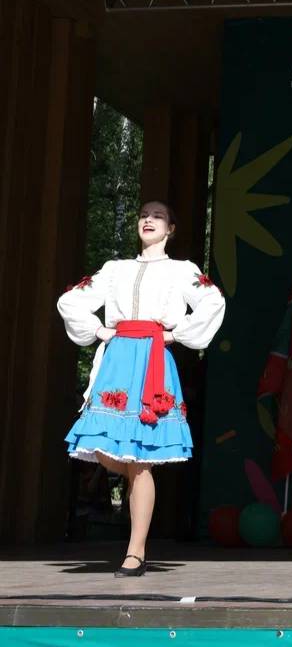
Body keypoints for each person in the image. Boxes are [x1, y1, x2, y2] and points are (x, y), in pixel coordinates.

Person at [57, 200, 225, 577]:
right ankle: (135, 530)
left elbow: (213, 301)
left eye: (158, 216)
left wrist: (175, 334)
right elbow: (70, 301)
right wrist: (99, 330)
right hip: (118, 359)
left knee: (141, 458)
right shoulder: (115, 269)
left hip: (151, 359)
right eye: (144, 215)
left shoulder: (181, 271)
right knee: (103, 448)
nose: (148, 220)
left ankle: (135, 551)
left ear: (170, 229)